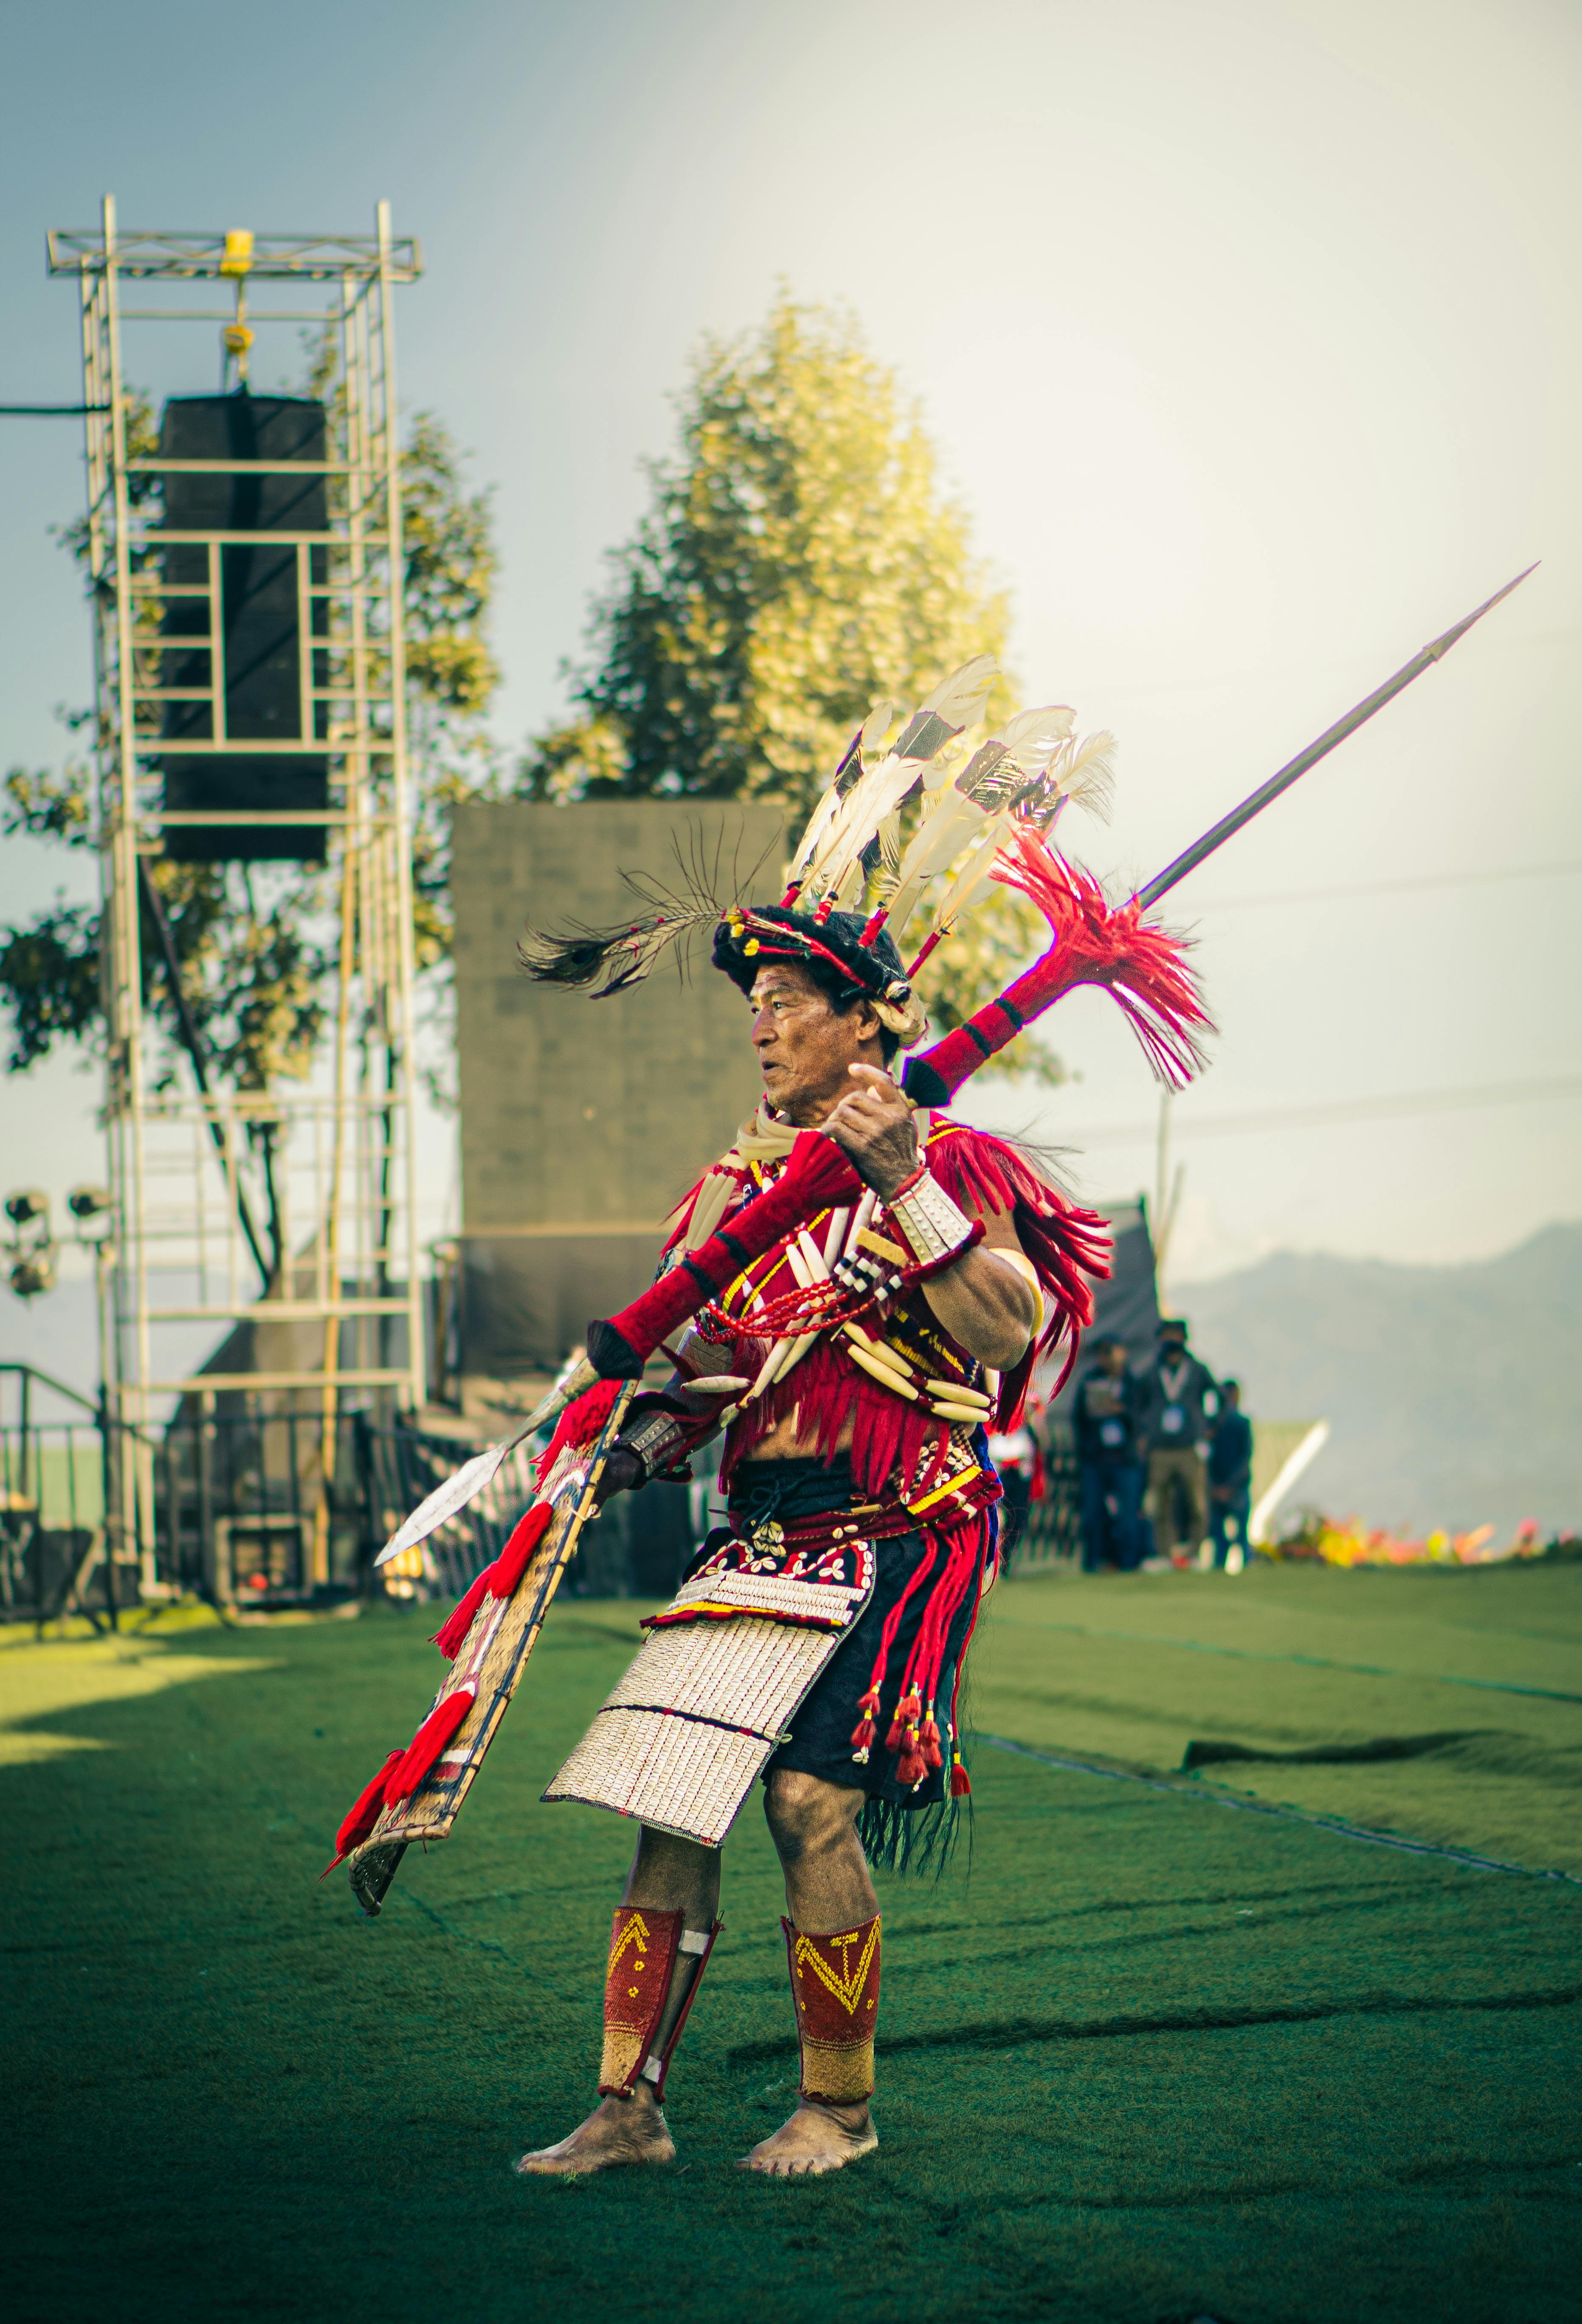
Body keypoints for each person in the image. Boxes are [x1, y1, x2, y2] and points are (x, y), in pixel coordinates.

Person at [513, 904, 1107, 2181]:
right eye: (755, 998)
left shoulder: (961, 1157)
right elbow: (716, 1376)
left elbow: (1004, 1333)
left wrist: (902, 1179)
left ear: (870, 1020)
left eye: (788, 996)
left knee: (805, 1801)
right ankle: (629, 2110)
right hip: (758, 1532)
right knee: (671, 1811)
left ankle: (838, 2110)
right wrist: (621, 1457)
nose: (761, 1020)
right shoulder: (739, 1188)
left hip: (906, 1523)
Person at [1143, 1317, 1219, 1564]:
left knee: (1197, 1502)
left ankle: (1197, 1553)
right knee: (1161, 1504)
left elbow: (1222, 1398)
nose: (1171, 1341)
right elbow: (1136, 1403)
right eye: (1166, 1336)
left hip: (1190, 1448)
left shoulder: (1197, 1370)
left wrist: (1211, 1427)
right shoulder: (1152, 1371)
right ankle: (1165, 1554)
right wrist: (1145, 1431)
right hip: (1161, 1450)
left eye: (1176, 1336)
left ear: (1185, 1339)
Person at [1072, 1336, 1146, 1571]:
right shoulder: (1090, 1381)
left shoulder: (1133, 1384)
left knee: (1127, 1515)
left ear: (1122, 1353)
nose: (1105, 1359)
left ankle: (1128, 1563)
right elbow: (1079, 1418)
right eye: (1102, 1355)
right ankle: (1093, 1562)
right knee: (1093, 1514)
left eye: (1110, 1353)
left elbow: (1143, 1419)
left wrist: (1122, 1411)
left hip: (1125, 1460)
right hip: (1097, 1458)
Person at [1208, 1379, 1254, 1570]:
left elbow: (1245, 1457)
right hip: (1224, 1486)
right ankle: (1224, 1568)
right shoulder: (1213, 1425)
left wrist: (1226, 1487)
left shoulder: (1239, 1424)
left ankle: (1238, 1567)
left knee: (1239, 1534)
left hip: (1234, 1487)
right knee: (1220, 1535)